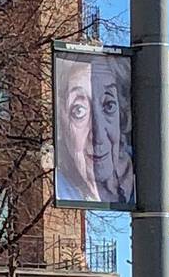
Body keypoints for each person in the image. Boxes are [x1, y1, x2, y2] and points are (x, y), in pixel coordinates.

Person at [54, 55, 135, 205]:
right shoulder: (57, 188)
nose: (97, 135)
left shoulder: (153, 181)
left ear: (123, 116)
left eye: (108, 106)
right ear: (62, 125)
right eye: (79, 111)